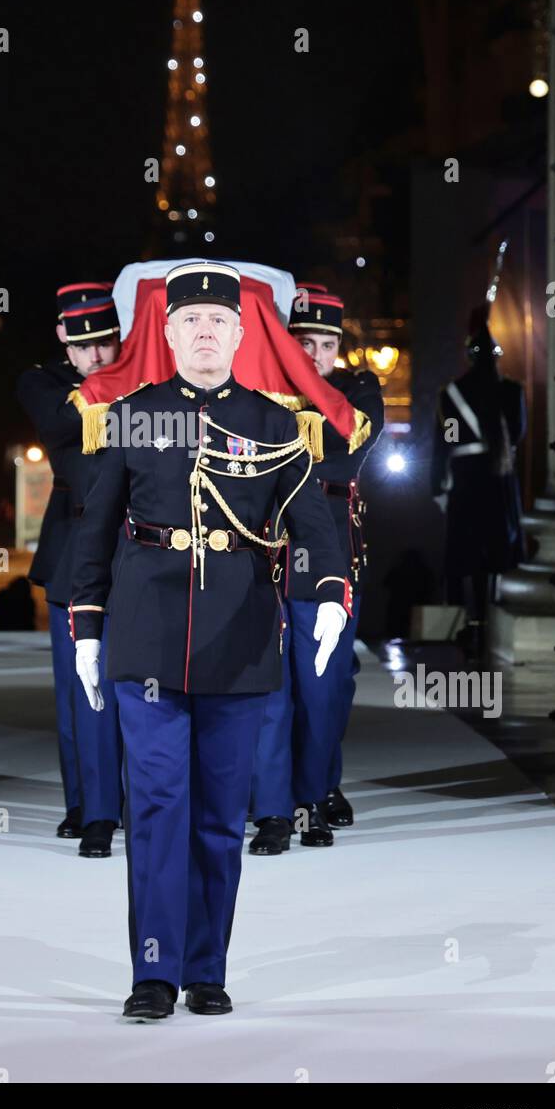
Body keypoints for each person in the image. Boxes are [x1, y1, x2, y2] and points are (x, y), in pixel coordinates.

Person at [70, 261, 352, 1021]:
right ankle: (154, 974)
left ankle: (208, 968)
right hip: (147, 635)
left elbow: (314, 527)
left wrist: (329, 596)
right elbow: (94, 530)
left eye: (218, 321)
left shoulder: (276, 425)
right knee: (159, 803)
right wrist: (87, 629)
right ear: (165, 333)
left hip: (239, 636)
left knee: (221, 813)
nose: (203, 331)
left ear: (240, 333)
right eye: (189, 321)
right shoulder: (132, 416)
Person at [250, 283, 384, 853]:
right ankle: (277, 809)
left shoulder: (359, 390)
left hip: (328, 550)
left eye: (324, 344)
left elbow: (338, 439)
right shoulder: (262, 390)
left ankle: (315, 794)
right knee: (270, 688)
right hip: (267, 548)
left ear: (338, 348)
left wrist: (294, 404)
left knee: (325, 687)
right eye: (300, 343)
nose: (313, 356)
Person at [16, 283, 124, 857]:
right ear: (63, 338)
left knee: (134, 686)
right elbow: (62, 427)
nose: (97, 358)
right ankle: (88, 805)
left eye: (106, 343)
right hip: (76, 546)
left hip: (134, 546)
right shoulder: (44, 383)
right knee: (79, 692)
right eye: (84, 347)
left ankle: (117, 800)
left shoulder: (137, 378)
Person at [431, 306, 526, 657]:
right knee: (495, 553)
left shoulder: (451, 394)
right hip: (498, 479)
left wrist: (437, 486)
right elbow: (516, 435)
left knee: (465, 553)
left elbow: (445, 443)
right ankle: (488, 621)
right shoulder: (512, 392)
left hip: (467, 481)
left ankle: (471, 625)